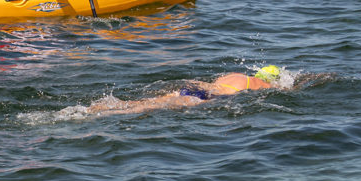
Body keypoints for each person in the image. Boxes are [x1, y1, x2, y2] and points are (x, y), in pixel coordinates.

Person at [87, 65, 283, 116]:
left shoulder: (234, 75)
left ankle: (110, 105)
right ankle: (113, 111)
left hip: (194, 88)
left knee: (153, 101)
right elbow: (280, 91)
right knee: (152, 108)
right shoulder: (260, 84)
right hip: (205, 97)